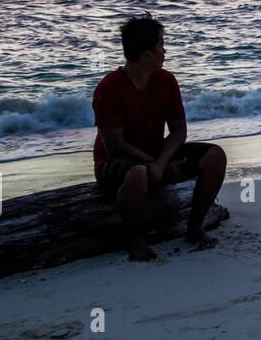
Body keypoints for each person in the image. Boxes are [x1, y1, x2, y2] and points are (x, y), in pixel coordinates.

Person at [92, 15, 226, 261]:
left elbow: (178, 130)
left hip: (156, 157)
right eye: (161, 45)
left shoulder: (166, 80)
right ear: (147, 55)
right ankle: (135, 241)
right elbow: (115, 147)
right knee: (138, 174)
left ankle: (195, 228)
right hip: (116, 164)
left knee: (215, 155)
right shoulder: (109, 88)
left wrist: (160, 163)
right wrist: (153, 164)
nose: (165, 51)